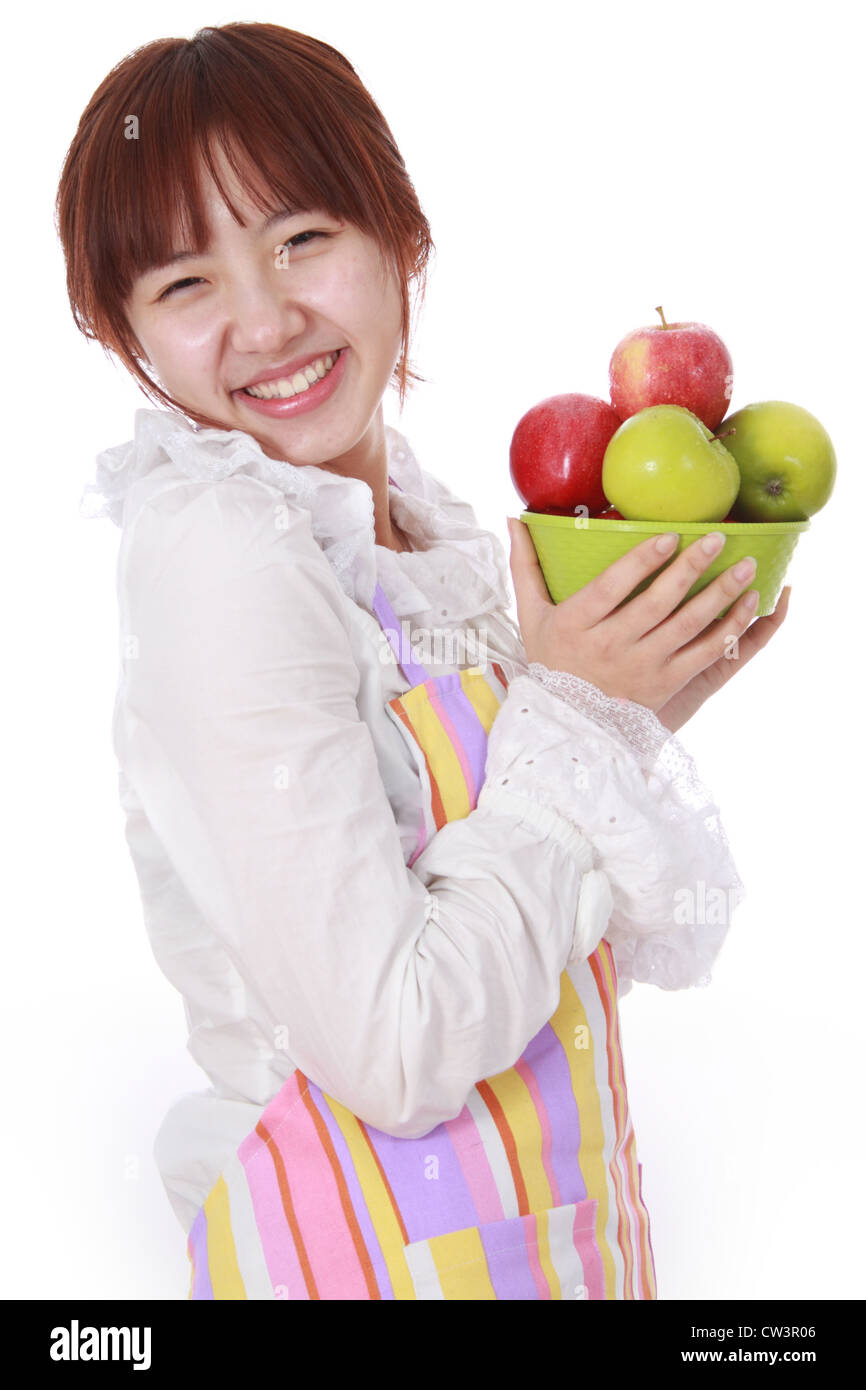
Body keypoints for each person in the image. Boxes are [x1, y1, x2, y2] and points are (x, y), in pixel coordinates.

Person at [56, 22, 789, 1301]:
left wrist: (631, 696)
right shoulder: (222, 548)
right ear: (128, 339)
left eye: (301, 239)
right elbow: (393, 1048)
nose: (266, 319)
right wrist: (581, 716)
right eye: (184, 286)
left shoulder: (416, 528)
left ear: (400, 234)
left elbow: (530, 892)